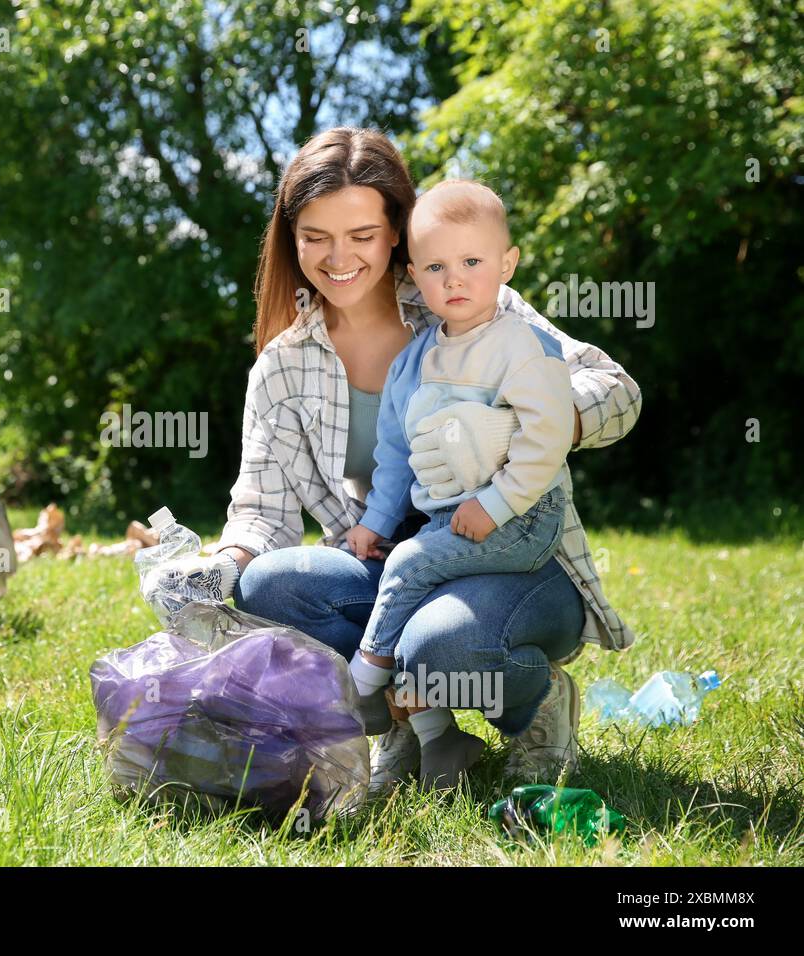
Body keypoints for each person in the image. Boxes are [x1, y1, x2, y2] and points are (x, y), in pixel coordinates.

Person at [145, 127, 639, 790]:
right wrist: (214, 572)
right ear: (291, 239)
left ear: (397, 233)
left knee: (440, 645)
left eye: (361, 235)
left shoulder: (462, 300)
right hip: (388, 572)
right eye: (315, 236)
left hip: (510, 557)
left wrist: (520, 425)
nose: (337, 257)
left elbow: (616, 390)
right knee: (269, 587)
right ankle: (418, 727)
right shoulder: (282, 368)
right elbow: (261, 516)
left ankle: (538, 701)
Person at [345, 179, 574, 790]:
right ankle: (433, 737)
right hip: (451, 518)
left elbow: (546, 439)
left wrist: (497, 502)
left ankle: (362, 685)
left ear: (507, 264)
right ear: (415, 274)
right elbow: (397, 455)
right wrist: (375, 520)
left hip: (521, 519)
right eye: (437, 266)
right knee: (411, 581)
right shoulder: (415, 360)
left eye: (473, 262)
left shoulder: (522, 347)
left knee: (408, 567)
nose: (455, 279)